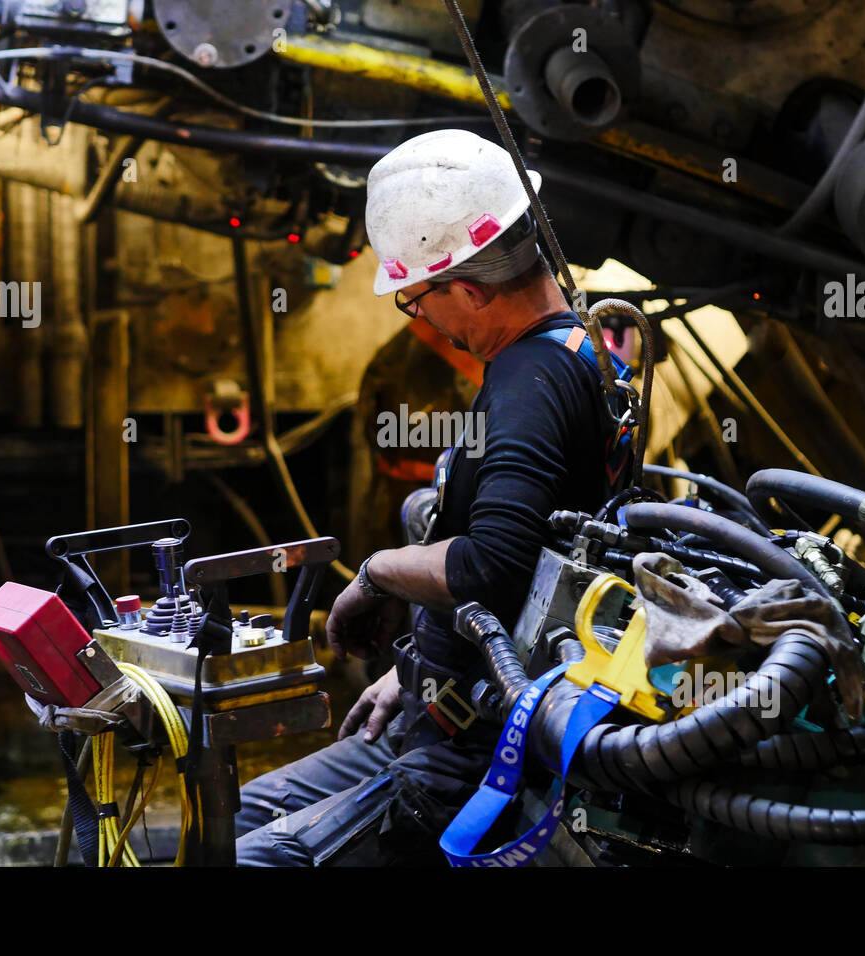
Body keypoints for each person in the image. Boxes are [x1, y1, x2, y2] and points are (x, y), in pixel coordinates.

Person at [234, 128, 625, 865]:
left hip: (475, 761)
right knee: (225, 818)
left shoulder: (527, 388)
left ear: (470, 290)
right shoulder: (580, 348)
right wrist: (411, 671)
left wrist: (376, 573)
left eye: (416, 300)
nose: (422, 319)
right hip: (445, 708)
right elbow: (537, 561)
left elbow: (492, 564)